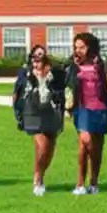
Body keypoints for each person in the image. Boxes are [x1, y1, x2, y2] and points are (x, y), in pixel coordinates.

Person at [65, 32, 107, 196]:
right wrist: (66, 106)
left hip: (101, 109)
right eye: (76, 47)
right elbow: (66, 86)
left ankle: (93, 182)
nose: (78, 50)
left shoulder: (101, 65)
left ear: (90, 47)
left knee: (96, 148)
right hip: (82, 109)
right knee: (85, 142)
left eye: (81, 47)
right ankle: (80, 183)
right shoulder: (72, 65)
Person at [13, 45, 65, 196]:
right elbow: (17, 92)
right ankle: (38, 178)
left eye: (40, 58)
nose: (36, 62)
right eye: (34, 58)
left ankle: (41, 174)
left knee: (50, 148)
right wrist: (17, 112)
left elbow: (64, 89)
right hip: (32, 111)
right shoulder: (26, 73)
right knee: (42, 146)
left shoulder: (55, 73)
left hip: (51, 111)